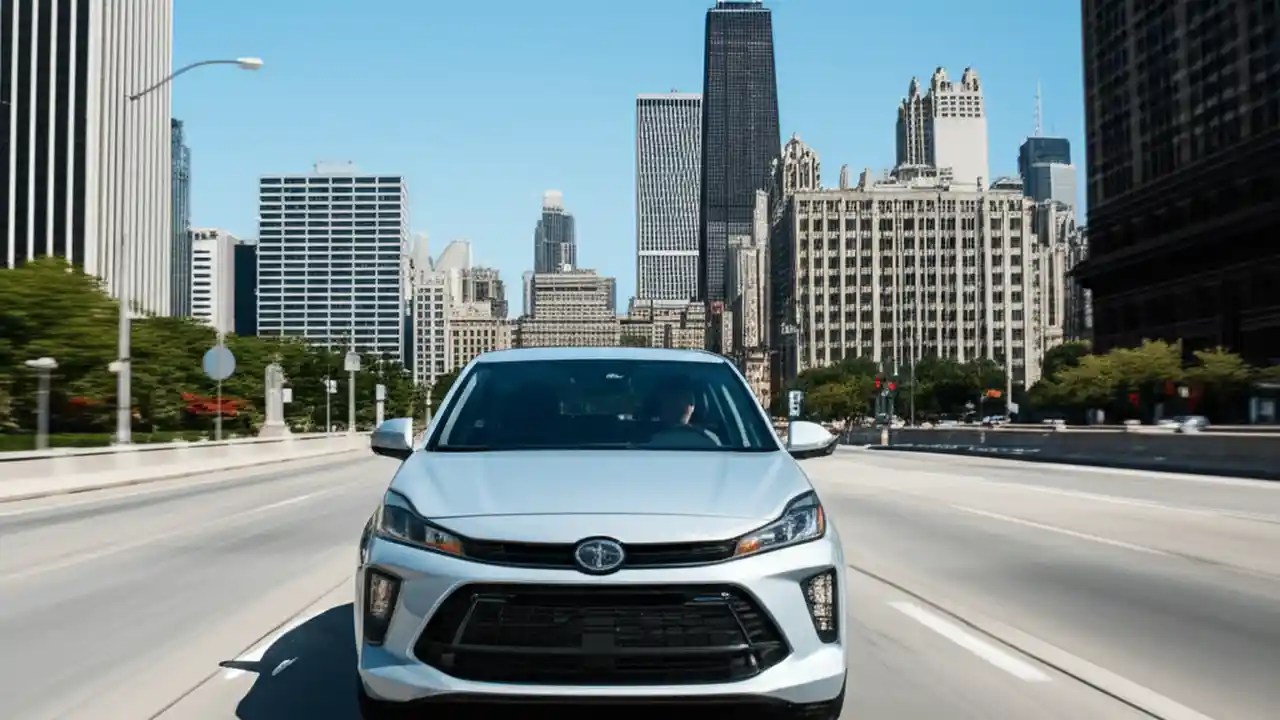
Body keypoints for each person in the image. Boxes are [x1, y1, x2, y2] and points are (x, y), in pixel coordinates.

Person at [649, 377, 721, 446]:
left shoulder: (711, 441)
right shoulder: (712, 442)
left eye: (687, 399)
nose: (681, 404)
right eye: (672, 400)